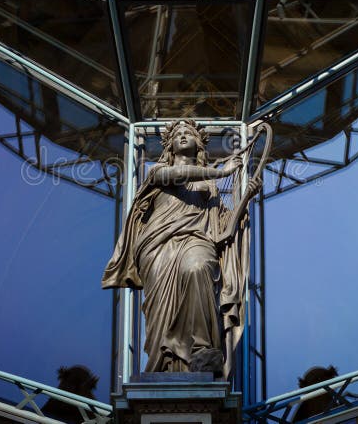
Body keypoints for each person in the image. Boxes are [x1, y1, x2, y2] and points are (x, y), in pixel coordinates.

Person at [102, 119, 261, 376]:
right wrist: (221, 172)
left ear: (199, 144)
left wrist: (245, 199)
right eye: (178, 133)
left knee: (199, 267)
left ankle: (202, 352)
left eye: (189, 133)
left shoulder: (209, 188)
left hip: (197, 240)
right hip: (158, 247)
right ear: (170, 146)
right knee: (160, 318)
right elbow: (177, 175)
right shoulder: (157, 172)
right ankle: (163, 366)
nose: (184, 135)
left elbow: (224, 231)